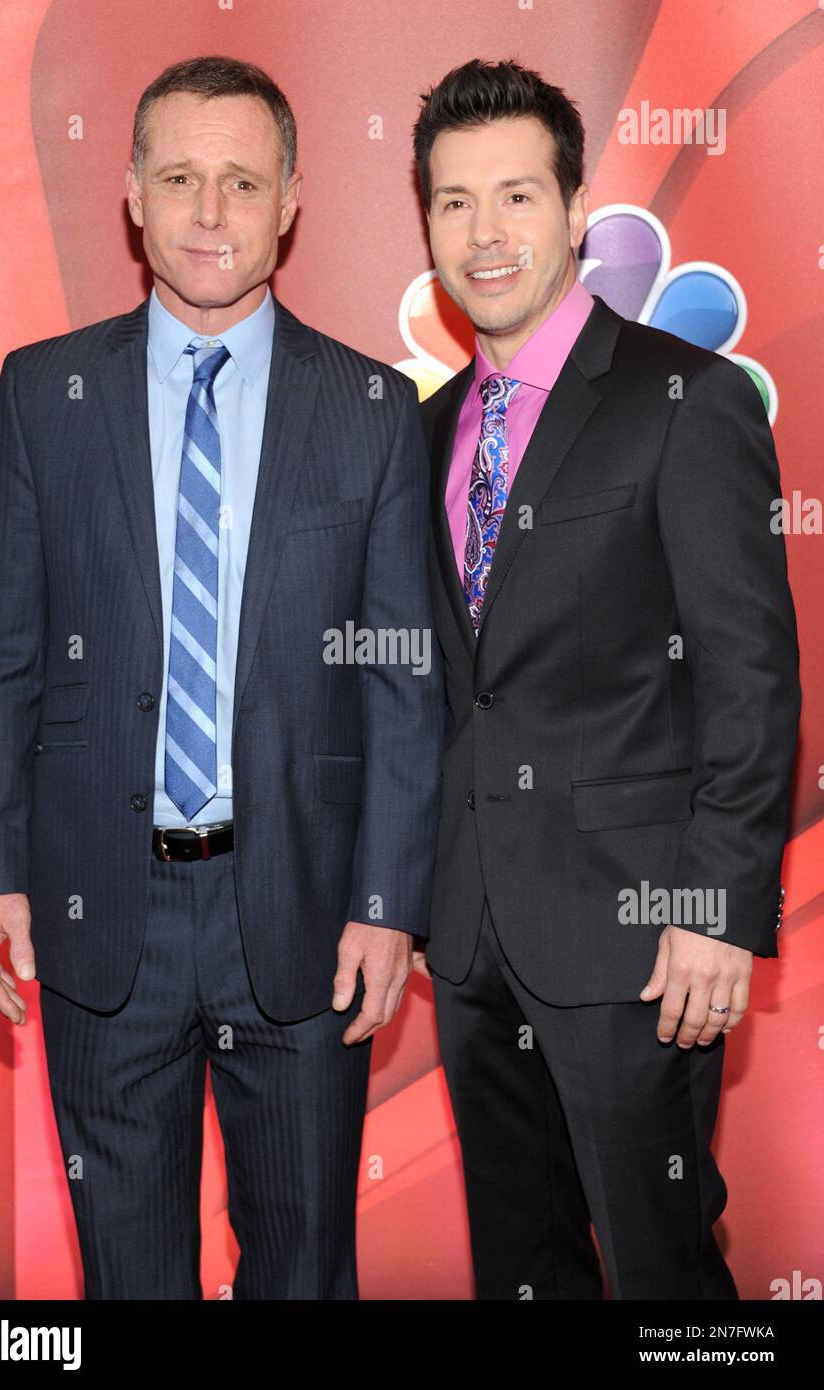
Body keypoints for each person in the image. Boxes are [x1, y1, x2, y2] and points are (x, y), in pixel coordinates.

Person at [0, 54, 442, 1300]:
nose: (209, 213)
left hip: (306, 918)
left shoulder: (373, 406)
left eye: (240, 181)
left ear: (290, 201)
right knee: (127, 1275)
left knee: (305, 1267)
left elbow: (402, 684)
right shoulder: (45, 397)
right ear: (130, 195)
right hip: (98, 915)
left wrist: (388, 901)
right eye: (179, 178)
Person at [413, 58, 800, 1299]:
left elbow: (749, 673)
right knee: (523, 1273)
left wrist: (720, 907)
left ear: (577, 210)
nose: (486, 234)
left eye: (517, 196)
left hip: (643, 942)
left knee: (663, 1276)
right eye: (455, 201)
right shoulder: (428, 432)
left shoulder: (686, 399)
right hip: (473, 944)